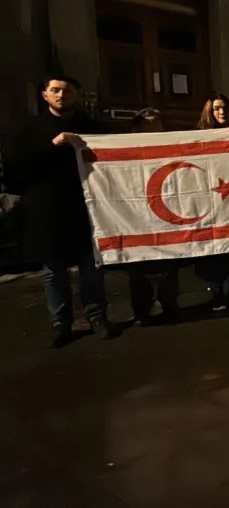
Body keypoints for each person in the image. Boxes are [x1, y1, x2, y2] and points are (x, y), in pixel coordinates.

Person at [10, 75, 119, 346]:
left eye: (68, 91)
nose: (62, 95)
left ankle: (97, 317)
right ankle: (61, 323)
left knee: (91, 268)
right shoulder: (30, 129)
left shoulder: (93, 128)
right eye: (55, 90)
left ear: (77, 95)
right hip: (47, 211)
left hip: (87, 209)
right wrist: (53, 146)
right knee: (54, 271)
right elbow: (16, 168)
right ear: (45, 95)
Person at [124, 108, 182, 325]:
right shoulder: (125, 149)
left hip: (165, 211)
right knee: (138, 263)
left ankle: (170, 304)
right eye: (146, 123)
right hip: (136, 215)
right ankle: (141, 309)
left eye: (155, 123)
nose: (150, 127)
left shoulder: (172, 147)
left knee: (169, 263)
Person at [193, 94, 229, 313]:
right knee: (212, 250)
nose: (221, 112)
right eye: (216, 109)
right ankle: (216, 291)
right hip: (209, 201)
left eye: (224, 107)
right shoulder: (198, 137)